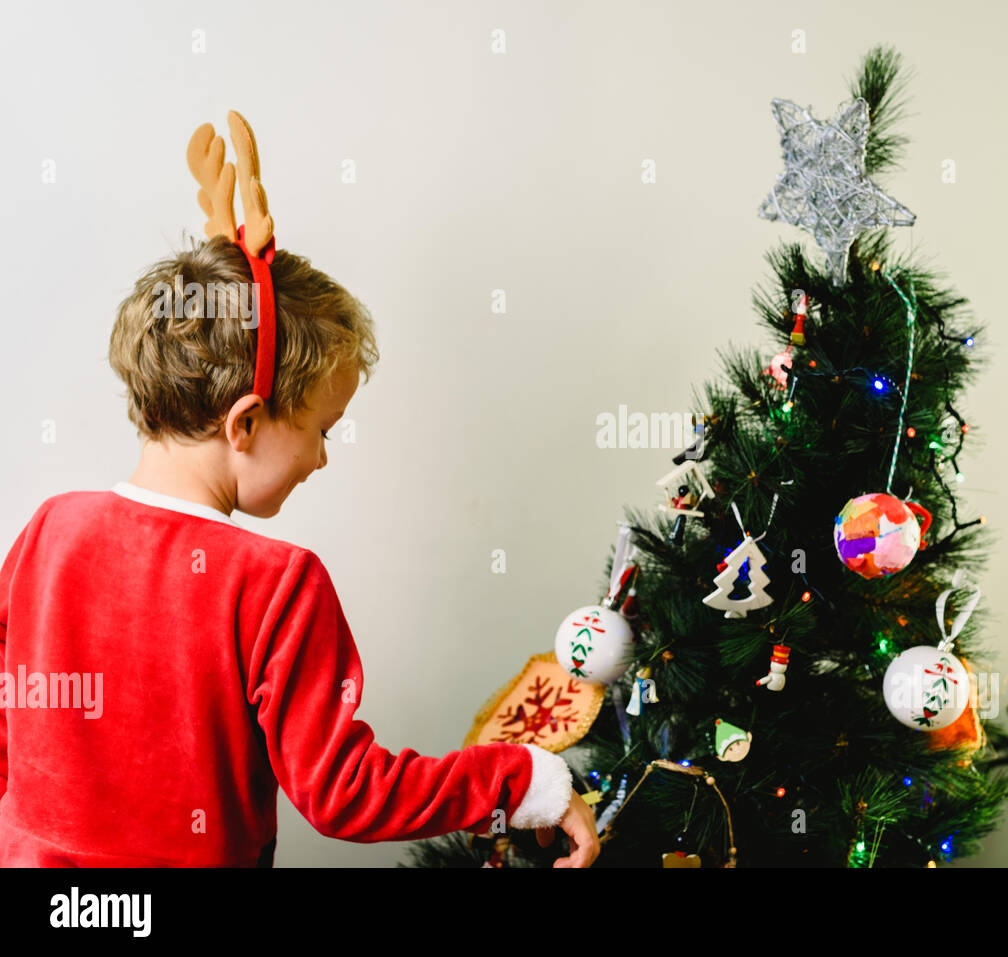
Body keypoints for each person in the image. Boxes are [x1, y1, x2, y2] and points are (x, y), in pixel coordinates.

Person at [0, 112, 599, 868]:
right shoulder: (277, 583)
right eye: (323, 428)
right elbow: (343, 790)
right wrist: (522, 778)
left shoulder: (50, 531)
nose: (322, 457)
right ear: (246, 421)